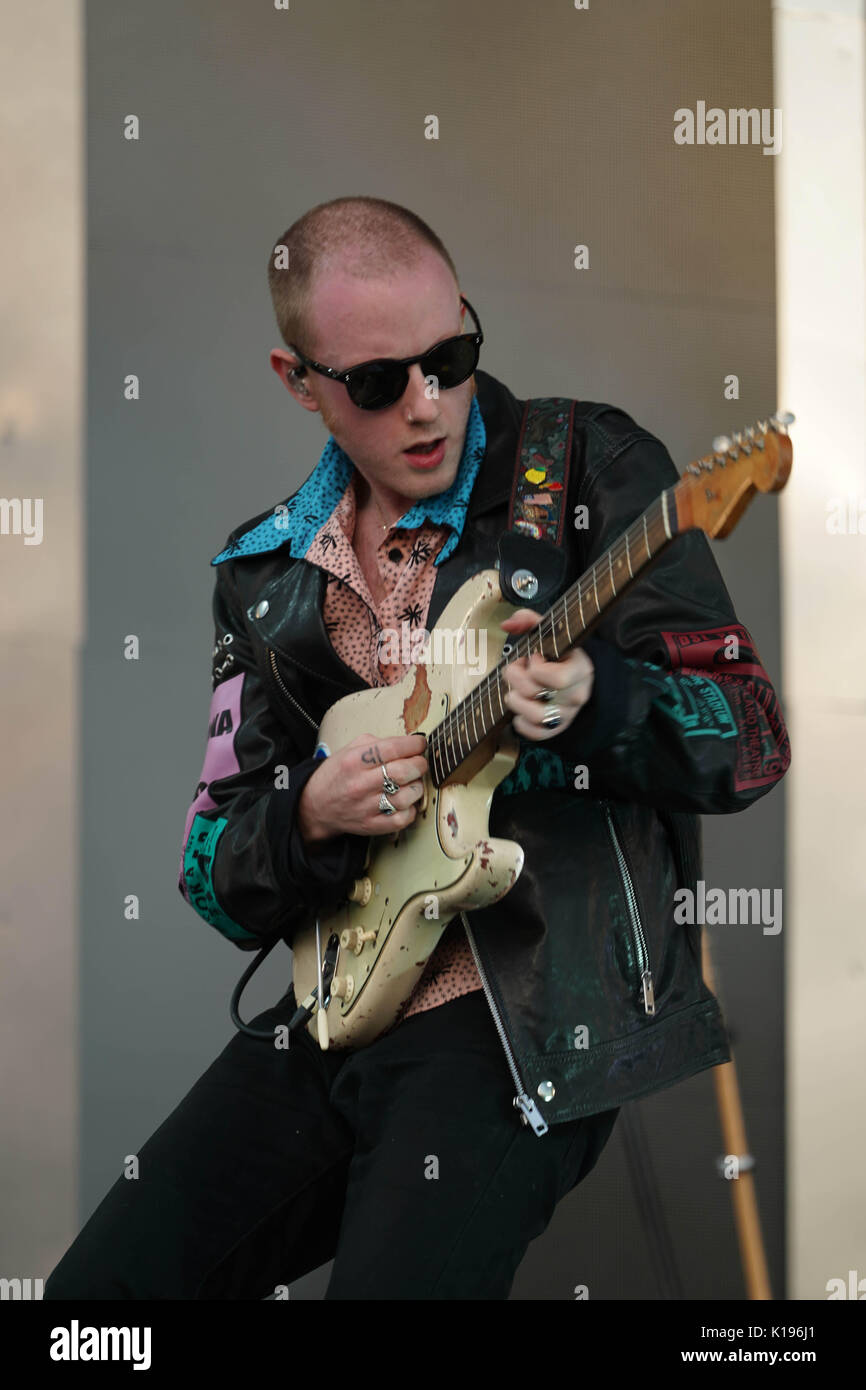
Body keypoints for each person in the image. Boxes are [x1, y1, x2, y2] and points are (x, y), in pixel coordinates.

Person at [45, 196, 790, 1301]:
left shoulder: (583, 470)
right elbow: (211, 870)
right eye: (377, 380)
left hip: (523, 1025)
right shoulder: (263, 577)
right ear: (298, 380)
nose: (428, 404)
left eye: (450, 356)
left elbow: (750, 740)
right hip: (335, 1006)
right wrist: (306, 819)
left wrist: (598, 701)